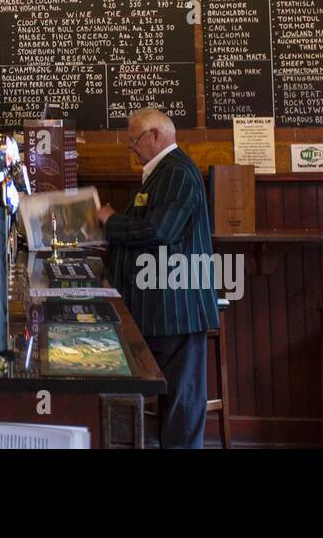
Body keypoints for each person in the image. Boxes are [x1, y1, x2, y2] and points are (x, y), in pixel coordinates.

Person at [96, 108, 219, 448]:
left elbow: (159, 231)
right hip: (159, 307)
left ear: (155, 136)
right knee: (172, 401)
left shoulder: (177, 171)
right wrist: (114, 279)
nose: (131, 149)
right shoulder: (161, 173)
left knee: (181, 406)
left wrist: (111, 221)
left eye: (134, 141)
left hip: (177, 307)